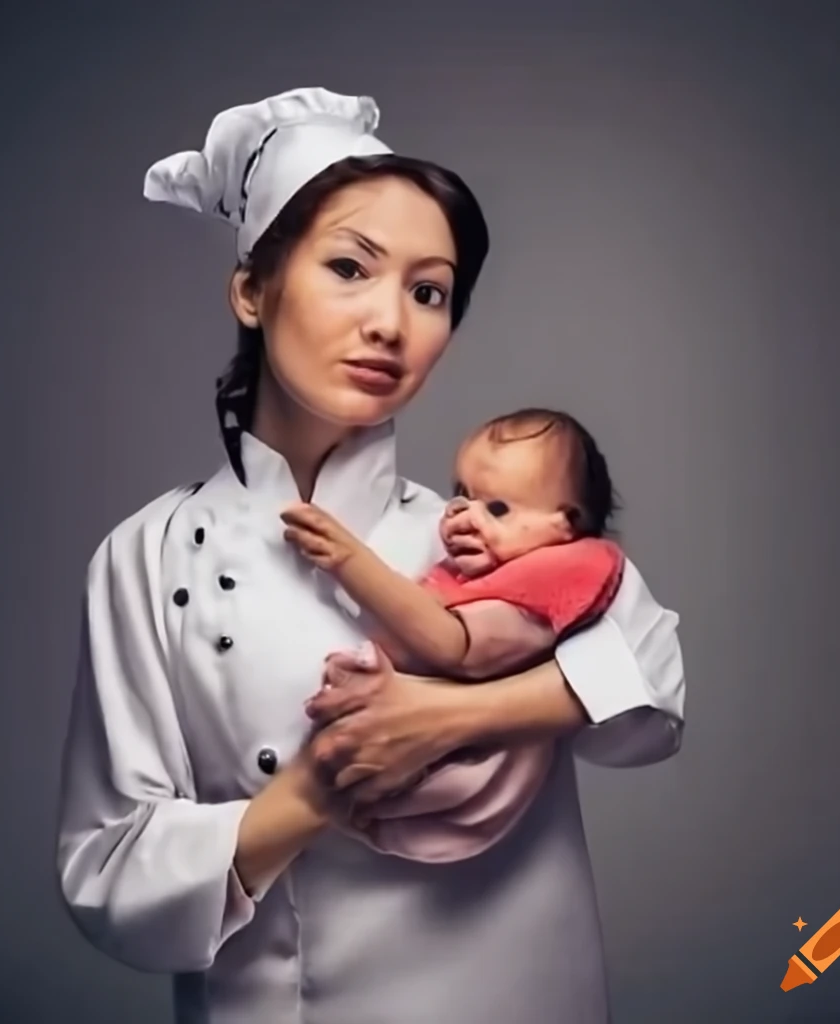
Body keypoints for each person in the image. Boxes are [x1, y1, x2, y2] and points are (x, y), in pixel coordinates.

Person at [56, 86, 686, 1024]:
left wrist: (436, 719)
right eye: (351, 267)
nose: (391, 322)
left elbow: (653, 693)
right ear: (252, 289)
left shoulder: (488, 537)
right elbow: (109, 873)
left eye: (428, 291)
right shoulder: (145, 559)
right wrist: (314, 791)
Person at [282, 406, 626, 863]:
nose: (464, 515)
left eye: (497, 508)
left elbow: (454, 646)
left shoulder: (547, 585)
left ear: (564, 525)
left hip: (467, 780)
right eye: (460, 495)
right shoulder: (479, 572)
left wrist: (349, 560)